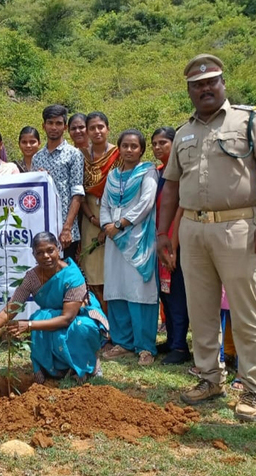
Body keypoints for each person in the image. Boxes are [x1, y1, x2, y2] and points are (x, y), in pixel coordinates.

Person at [156, 53, 256, 423]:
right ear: (189, 91)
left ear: (223, 84)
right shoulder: (183, 132)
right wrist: (163, 235)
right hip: (192, 229)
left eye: (211, 81)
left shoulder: (249, 121)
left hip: (238, 227)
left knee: (245, 312)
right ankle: (209, 378)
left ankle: (251, 388)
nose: (205, 88)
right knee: (201, 309)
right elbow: (170, 187)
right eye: (197, 85)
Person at [0, 232, 108, 383]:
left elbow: (67, 318)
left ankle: (89, 364)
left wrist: (29, 326)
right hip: (55, 317)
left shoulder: (72, 276)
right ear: (34, 255)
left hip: (78, 317)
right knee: (40, 318)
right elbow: (10, 310)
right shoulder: (32, 278)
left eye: (50, 250)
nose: (46, 256)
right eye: (40, 253)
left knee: (81, 327)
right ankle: (57, 368)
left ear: (58, 249)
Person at [99, 130, 160, 365]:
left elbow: (147, 202)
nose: (129, 150)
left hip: (138, 237)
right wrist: (106, 225)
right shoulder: (113, 176)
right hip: (114, 240)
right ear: (119, 149)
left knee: (140, 290)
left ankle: (145, 347)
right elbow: (104, 203)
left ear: (142, 150)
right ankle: (123, 342)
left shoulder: (148, 172)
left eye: (134, 146)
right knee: (117, 287)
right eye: (125, 145)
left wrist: (119, 224)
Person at [152, 126, 191, 366]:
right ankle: (171, 339)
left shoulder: (182, 173)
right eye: (154, 143)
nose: (158, 147)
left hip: (176, 240)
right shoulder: (158, 172)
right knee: (165, 293)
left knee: (177, 293)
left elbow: (179, 210)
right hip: (160, 239)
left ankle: (180, 346)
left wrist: (173, 246)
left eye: (163, 143)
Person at [78, 111, 119, 312]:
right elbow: (80, 192)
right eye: (92, 128)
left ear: (108, 128)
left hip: (116, 221)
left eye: (100, 127)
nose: (97, 131)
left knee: (112, 271)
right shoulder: (82, 156)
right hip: (90, 219)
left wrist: (107, 223)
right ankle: (100, 319)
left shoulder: (119, 154)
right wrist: (94, 219)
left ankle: (117, 322)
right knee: (92, 271)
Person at [33, 104, 86, 260]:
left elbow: (77, 193)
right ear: (43, 126)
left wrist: (67, 228)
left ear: (65, 127)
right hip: (43, 229)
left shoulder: (74, 154)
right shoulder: (37, 158)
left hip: (66, 231)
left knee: (66, 276)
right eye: (50, 123)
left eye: (58, 123)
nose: (54, 127)